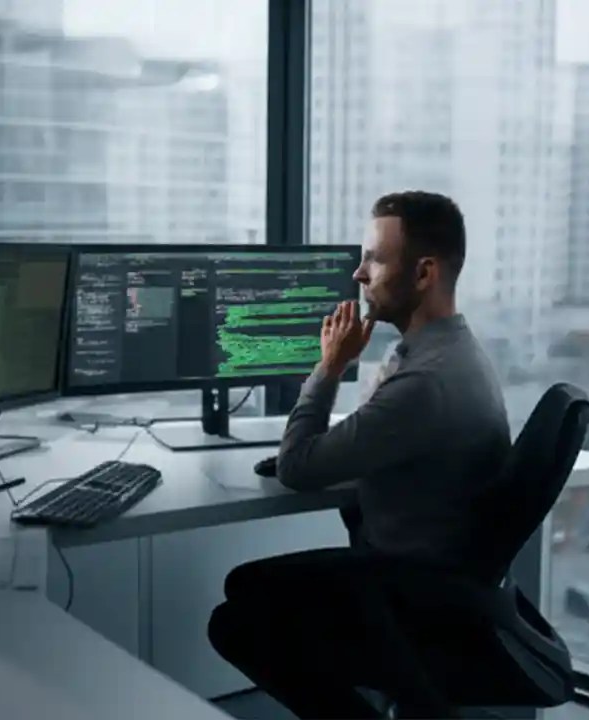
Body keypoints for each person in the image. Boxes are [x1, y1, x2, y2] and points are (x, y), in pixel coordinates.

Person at [208, 191, 511, 719]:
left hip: (409, 586)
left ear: (424, 273)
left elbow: (299, 469)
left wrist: (328, 367)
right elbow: (387, 439)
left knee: (235, 618)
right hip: (441, 576)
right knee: (247, 589)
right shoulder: (452, 352)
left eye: (374, 258)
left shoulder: (424, 381)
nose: (358, 274)